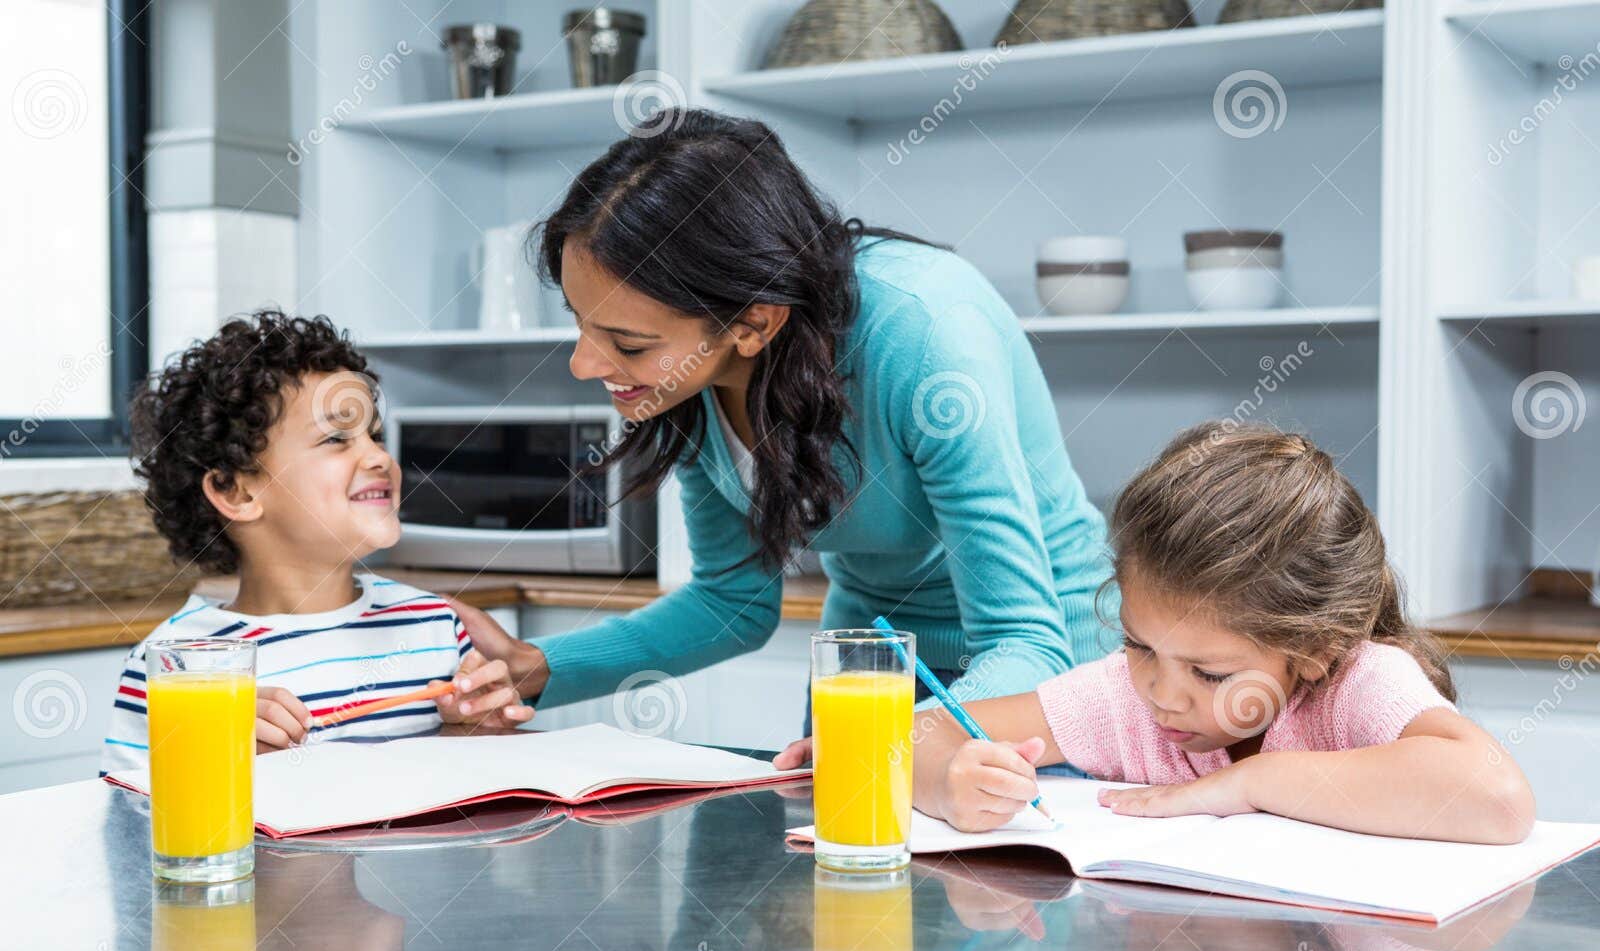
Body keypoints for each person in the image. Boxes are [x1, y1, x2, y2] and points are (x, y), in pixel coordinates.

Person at [450, 109, 1115, 723]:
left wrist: (892, 739)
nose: (583, 364)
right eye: (579, 321)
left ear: (754, 323)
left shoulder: (926, 335)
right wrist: (538, 666)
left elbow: (1024, 638)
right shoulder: (692, 384)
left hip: (1044, 668)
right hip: (872, 658)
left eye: (627, 343)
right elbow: (731, 601)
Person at [781, 422, 1536, 845]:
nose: (1163, 693)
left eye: (1210, 675)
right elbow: (922, 730)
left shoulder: (1358, 680)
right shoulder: (1123, 695)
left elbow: (1498, 799)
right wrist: (949, 780)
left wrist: (1249, 783)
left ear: (1311, 649)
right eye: (1141, 645)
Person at [101, 311, 530, 775]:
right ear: (236, 491)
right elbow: (131, 824)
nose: (379, 456)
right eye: (335, 439)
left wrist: (475, 733)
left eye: (375, 435)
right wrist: (216, 762)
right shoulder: (174, 665)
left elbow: (460, 795)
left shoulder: (433, 625)